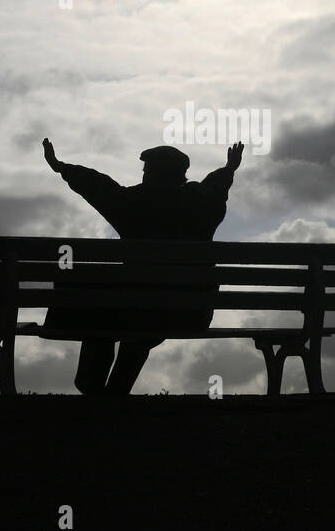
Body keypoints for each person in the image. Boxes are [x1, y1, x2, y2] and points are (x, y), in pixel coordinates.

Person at [41, 137, 244, 394]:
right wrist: (229, 169)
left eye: (146, 170)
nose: (144, 175)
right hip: (188, 314)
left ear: (153, 174)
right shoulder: (202, 204)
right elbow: (215, 187)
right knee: (142, 325)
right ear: (181, 175)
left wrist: (62, 167)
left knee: (103, 312)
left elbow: (98, 186)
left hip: (132, 309)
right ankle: (114, 394)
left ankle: (92, 388)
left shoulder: (131, 203)